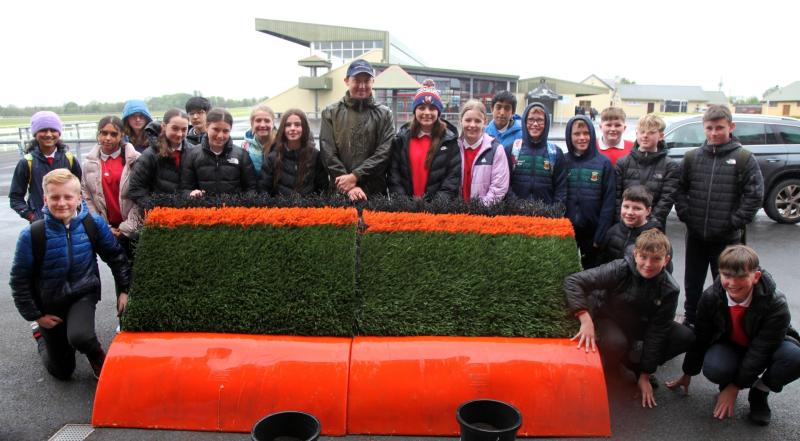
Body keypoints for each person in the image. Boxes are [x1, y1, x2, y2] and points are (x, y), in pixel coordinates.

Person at [10, 169, 131, 380]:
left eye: (68, 197)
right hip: (49, 302)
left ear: (79, 198)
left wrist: (124, 291)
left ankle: (97, 356)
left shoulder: (92, 224)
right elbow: (19, 280)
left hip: (83, 293)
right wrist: (36, 315)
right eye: (55, 197)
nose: (62, 203)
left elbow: (116, 257)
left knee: (80, 336)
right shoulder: (32, 234)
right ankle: (40, 336)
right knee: (62, 371)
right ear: (45, 199)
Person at [667, 245, 800, 425]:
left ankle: (760, 392)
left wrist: (735, 387)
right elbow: (701, 337)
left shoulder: (776, 304)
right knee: (715, 369)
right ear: (719, 273)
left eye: (741, 277)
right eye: (727, 276)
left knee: (795, 358)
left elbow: (761, 351)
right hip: (731, 345)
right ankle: (727, 381)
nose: (733, 283)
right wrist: (688, 372)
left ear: (756, 276)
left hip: (766, 347)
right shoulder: (710, 297)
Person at [565, 229, 694, 409]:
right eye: (644, 257)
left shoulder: (670, 289)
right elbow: (573, 281)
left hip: (641, 323)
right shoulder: (620, 268)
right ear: (635, 254)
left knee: (685, 336)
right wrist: (585, 319)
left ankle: (635, 366)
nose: (648, 264)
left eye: (656, 259)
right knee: (616, 343)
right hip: (610, 318)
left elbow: (657, 331)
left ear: (666, 260)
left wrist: (645, 374)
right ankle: (613, 365)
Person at [674, 105, 764, 328]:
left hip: (727, 239)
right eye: (709, 128)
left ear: (731, 127)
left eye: (720, 128)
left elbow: (754, 196)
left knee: (727, 284)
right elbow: (679, 189)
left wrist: (733, 223)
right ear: (703, 127)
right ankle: (691, 321)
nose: (714, 133)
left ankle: (722, 326)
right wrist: (686, 214)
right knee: (692, 283)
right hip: (696, 235)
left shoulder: (743, 158)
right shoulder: (692, 157)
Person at [319, 59, 394, 201]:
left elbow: (384, 152)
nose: (362, 86)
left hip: (375, 193)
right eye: (357, 80)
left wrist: (355, 176)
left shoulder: (385, 114)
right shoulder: (330, 113)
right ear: (347, 81)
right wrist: (348, 184)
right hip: (340, 191)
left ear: (373, 82)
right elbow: (327, 153)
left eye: (367, 81)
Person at [387, 80, 461, 201]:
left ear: (438, 111)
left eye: (432, 108)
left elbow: (452, 179)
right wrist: (405, 204)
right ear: (415, 111)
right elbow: (394, 176)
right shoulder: (401, 139)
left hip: (437, 208)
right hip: (406, 207)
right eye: (421, 108)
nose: (427, 112)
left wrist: (435, 206)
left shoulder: (450, 141)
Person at [80, 116, 141, 259]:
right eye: (104, 133)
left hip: (132, 230)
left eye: (114, 134)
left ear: (122, 135)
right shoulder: (88, 163)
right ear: (98, 133)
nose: (108, 138)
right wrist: (103, 226)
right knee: (117, 267)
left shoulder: (135, 160)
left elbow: (142, 195)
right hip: (106, 230)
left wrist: (127, 227)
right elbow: (86, 196)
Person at [10, 111, 82, 222]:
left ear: (59, 133)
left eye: (53, 130)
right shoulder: (26, 163)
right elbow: (15, 198)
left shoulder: (70, 159)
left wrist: (77, 211)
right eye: (43, 130)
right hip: (41, 224)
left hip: (70, 222)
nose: (48, 134)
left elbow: (81, 190)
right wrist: (32, 217)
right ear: (35, 134)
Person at [564, 115, 615, 269]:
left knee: (591, 273)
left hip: (593, 233)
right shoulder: (563, 161)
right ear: (569, 136)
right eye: (577, 134)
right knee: (567, 271)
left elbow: (609, 202)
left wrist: (601, 234)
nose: (582, 138)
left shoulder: (603, 163)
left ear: (592, 134)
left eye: (586, 133)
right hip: (567, 231)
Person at [615, 114, 679, 229]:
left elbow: (667, 199)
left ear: (661, 136)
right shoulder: (623, 163)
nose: (645, 136)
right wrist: (623, 219)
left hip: (653, 227)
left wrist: (649, 223)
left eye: (651, 132)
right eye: (642, 131)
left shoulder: (670, 166)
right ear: (637, 134)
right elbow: (616, 196)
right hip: (624, 225)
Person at [181, 108, 257, 197]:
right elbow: (184, 189)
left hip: (234, 205)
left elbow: (251, 188)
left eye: (225, 131)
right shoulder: (192, 155)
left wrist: (242, 202)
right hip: (203, 205)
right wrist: (190, 194)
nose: (220, 135)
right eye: (216, 129)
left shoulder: (242, 155)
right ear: (206, 127)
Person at [126, 109, 193, 208]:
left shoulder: (194, 152)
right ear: (164, 126)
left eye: (184, 130)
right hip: (159, 212)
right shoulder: (149, 155)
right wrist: (156, 209)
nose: (179, 134)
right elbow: (135, 189)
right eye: (175, 128)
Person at [506, 102, 567, 205]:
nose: (535, 124)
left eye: (540, 120)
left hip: (547, 213)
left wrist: (553, 211)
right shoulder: (512, 150)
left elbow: (561, 189)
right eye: (530, 120)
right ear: (524, 122)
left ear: (546, 123)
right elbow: (505, 185)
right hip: (516, 212)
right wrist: (516, 207)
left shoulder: (555, 153)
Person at [599, 185, 671, 272]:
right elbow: (601, 263)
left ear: (648, 211)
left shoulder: (657, 238)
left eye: (637, 208)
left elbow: (665, 270)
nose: (630, 212)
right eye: (626, 207)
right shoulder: (612, 232)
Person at [260, 109, 328, 197]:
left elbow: (323, 189)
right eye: (288, 125)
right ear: (283, 129)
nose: (292, 128)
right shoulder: (272, 158)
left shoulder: (315, 156)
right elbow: (263, 190)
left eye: (297, 125)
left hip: (309, 205)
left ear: (304, 128)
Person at [457, 99, 510, 205]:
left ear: (485, 122)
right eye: (468, 120)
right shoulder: (454, 148)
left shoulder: (496, 150)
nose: (472, 125)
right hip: (455, 211)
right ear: (461, 120)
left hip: (483, 212)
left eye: (477, 121)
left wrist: (479, 208)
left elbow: (499, 188)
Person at [241, 105, 277, 178]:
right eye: (258, 120)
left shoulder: (281, 145)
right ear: (252, 123)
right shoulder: (245, 146)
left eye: (267, 121)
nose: (262, 125)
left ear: (273, 123)